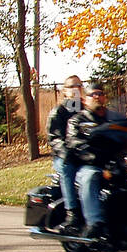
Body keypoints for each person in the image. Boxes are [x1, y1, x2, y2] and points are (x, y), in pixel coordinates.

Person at [65, 81, 114, 240]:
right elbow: (73, 142)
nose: (98, 97)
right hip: (89, 165)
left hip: (114, 164)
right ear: (85, 100)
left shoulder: (112, 118)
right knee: (90, 177)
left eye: (100, 94)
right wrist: (93, 156)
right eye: (93, 94)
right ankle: (94, 223)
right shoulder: (77, 120)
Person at [47, 76, 83, 233]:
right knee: (67, 168)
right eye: (71, 86)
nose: (75, 89)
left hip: (84, 155)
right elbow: (54, 138)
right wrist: (66, 152)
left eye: (79, 86)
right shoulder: (59, 112)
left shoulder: (85, 109)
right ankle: (72, 213)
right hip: (64, 157)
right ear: (65, 90)